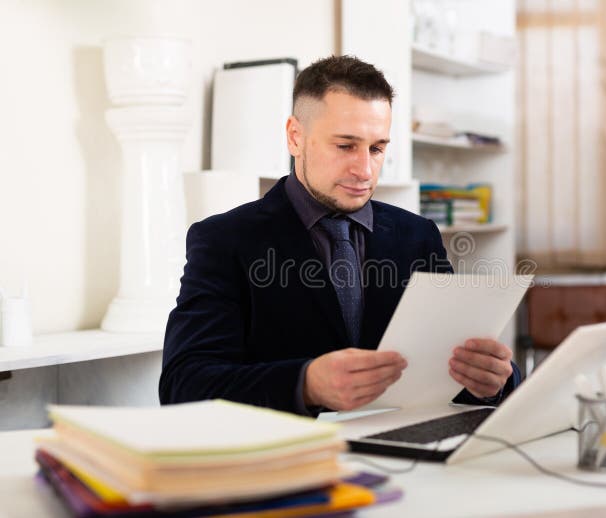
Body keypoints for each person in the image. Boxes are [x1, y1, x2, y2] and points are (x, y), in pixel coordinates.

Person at [159, 55, 520, 415]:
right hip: (289, 458)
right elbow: (184, 385)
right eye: (345, 146)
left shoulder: (418, 236)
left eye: (377, 148)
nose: (365, 170)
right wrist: (306, 384)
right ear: (295, 137)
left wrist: (492, 382)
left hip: (404, 458)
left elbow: (448, 374)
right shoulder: (224, 240)